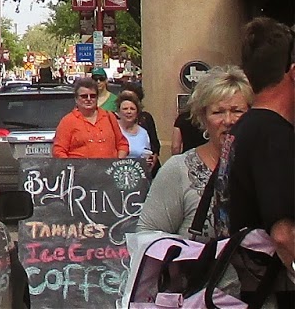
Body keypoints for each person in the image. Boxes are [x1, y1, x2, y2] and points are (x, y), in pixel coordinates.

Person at [216, 17, 295, 271]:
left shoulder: (245, 128)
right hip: (271, 291)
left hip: (243, 282)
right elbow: (284, 236)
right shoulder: (274, 136)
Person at [137, 66, 250, 238]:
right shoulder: (178, 170)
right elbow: (146, 237)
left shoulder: (268, 168)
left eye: (237, 111)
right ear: (203, 117)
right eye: (218, 112)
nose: (228, 120)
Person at [52, 77, 129, 158]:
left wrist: (118, 162)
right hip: (80, 170)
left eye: (92, 96)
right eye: (84, 96)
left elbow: (122, 144)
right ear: (76, 99)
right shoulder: (67, 121)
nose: (89, 99)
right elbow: (58, 151)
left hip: (108, 169)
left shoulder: (109, 116)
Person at [117, 90, 157, 174]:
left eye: (132, 109)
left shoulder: (143, 133)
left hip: (137, 176)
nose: (129, 112)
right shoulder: (113, 129)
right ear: (119, 112)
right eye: (125, 109)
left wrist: (148, 162)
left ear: (137, 112)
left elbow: (147, 155)